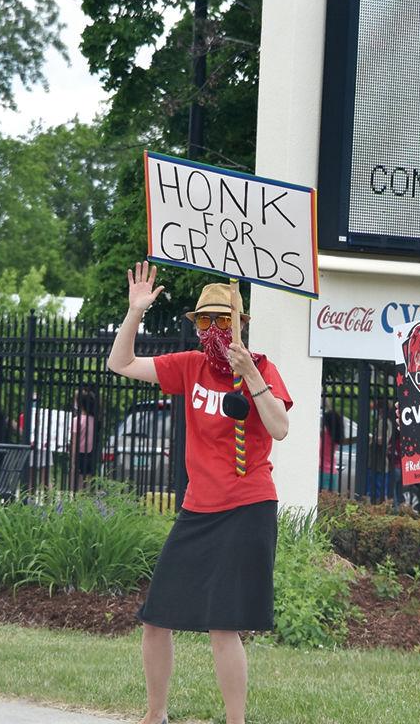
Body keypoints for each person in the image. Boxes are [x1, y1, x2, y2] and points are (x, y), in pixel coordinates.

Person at [108, 264, 291, 724]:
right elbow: (121, 363)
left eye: (222, 321)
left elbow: (281, 428)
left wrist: (251, 375)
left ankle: (236, 721)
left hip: (248, 506)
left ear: (240, 326)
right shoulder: (189, 366)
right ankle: (156, 714)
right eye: (205, 321)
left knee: (223, 625)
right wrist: (135, 312)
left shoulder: (262, 367)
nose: (213, 329)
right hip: (197, 509)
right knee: (155, 618)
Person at [366, 396, 394, 503]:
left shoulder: (384, 422)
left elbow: (383, 440)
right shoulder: (384, 421)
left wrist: (372, 438)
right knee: (378, 491)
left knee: (378, 493)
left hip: (378, 463)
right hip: (377, 463)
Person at [69, 387, 98, 490]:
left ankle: (76, 499)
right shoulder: (94, 420)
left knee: (77, 481)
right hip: (91, 454)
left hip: (79, 454)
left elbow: (74, 441)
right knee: (89, 480)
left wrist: (72, 459)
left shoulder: (77, 420)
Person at [318, 396, 342, 492]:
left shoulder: (323, 436)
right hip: (333, 471)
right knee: (331, 502)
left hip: (323, 471)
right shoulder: (335, 436)